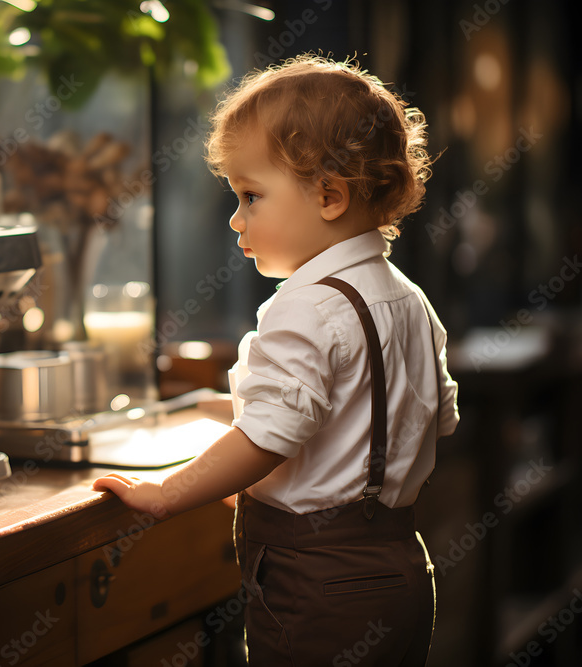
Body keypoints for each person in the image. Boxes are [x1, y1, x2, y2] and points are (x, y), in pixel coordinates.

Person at [92, 54, 459, 665]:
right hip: (401, 572)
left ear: (329, 195)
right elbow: (427, 419)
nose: (236, 218)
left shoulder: (306, 306)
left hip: (315, 584)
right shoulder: (409, 299)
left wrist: (167, 492)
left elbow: (267, 436)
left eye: (251, 195)